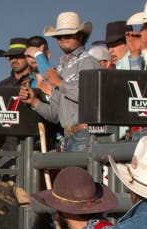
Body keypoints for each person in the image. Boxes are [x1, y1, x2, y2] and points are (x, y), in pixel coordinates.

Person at [19, 12, 100, 153]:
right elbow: (56, 114)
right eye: (58, 36)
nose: (62, 39)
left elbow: (91, 98)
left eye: (68, 35)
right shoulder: (61, 66)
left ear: (80, 36)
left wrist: (59, 83)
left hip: (85, 135)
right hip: (67, 136)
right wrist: (34, 102)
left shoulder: (88, 61)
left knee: (80, 175)